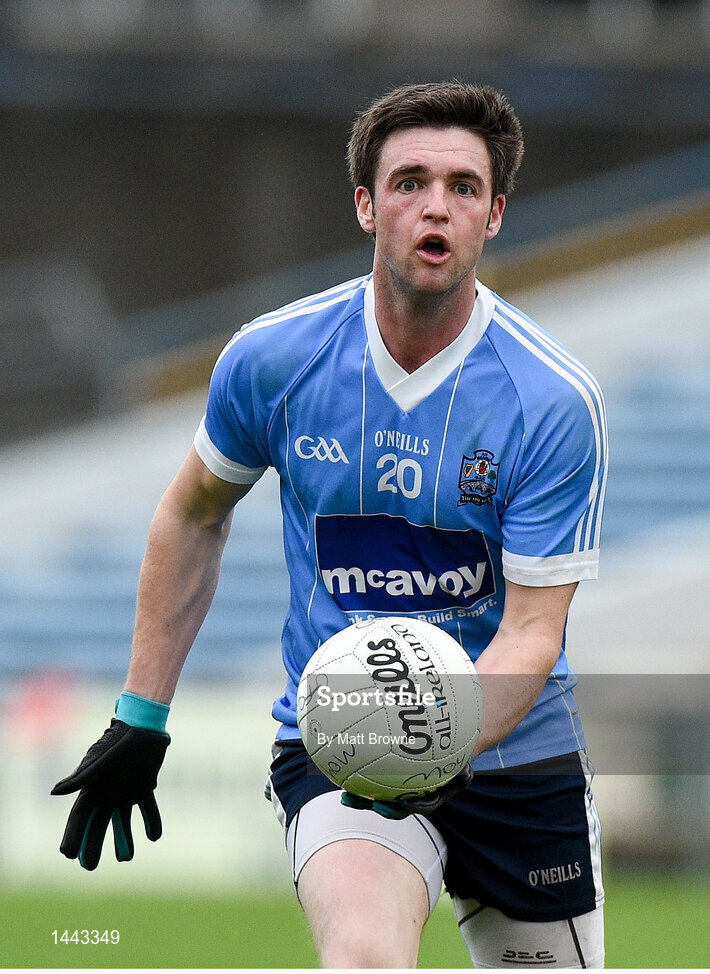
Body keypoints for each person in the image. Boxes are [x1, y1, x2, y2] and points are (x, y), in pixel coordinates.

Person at [52, 81, 608, 968]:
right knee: (364, 959)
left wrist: (437, 733)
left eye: (463, 187)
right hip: (343, 736)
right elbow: (194, 514)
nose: (436, 205)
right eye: (409, 182)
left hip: (515, 756)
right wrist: (141, 715)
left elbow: (534, 633)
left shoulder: (552, 399)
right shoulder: (274, 359)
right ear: (366, 205)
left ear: (495, 214)